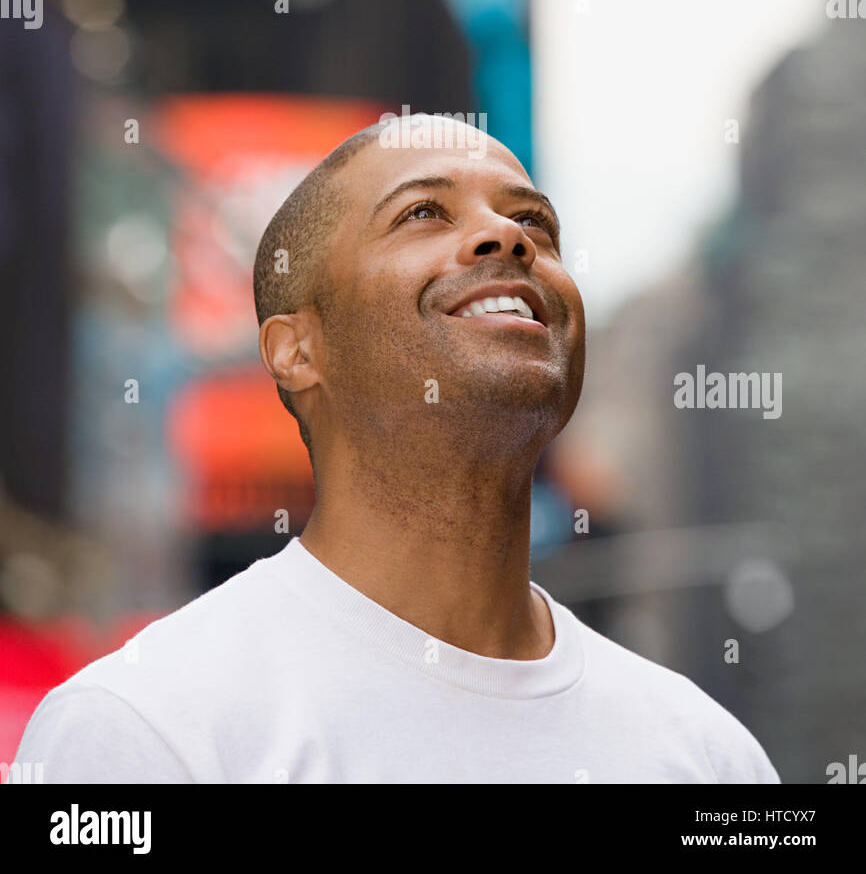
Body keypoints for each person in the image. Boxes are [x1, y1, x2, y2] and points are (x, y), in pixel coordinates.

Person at [11, 117, 780, 783]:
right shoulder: (140, 730)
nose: (509, 238)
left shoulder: (711, 759)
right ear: (297, 351)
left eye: (536, 226)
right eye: (421, 213)